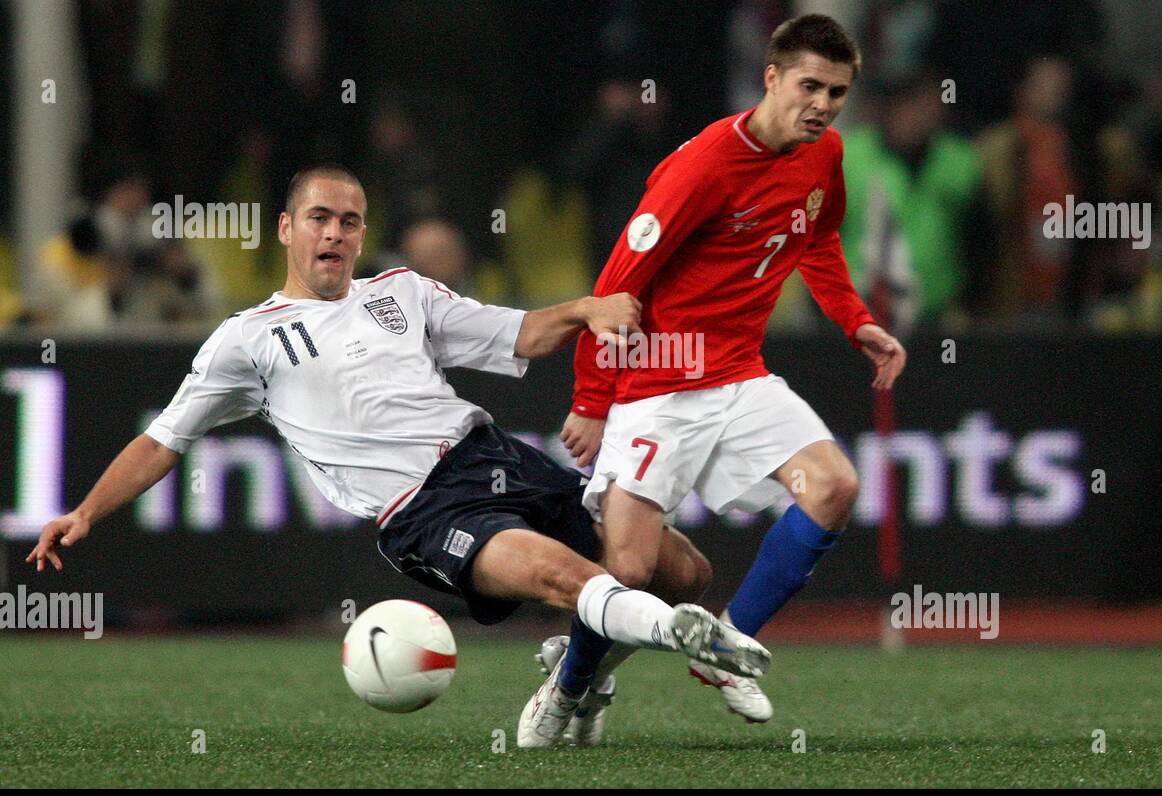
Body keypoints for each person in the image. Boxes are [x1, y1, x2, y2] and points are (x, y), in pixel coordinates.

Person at [24, 164, 770, 748]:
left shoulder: (403, 292)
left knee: (684, 570)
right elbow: (164, 440)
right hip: (422, 509)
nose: (336, 234)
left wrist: (583, 309)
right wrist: (86, 510)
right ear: (286, 228)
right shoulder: (246, 339)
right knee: (562, 576)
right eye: (319, 217)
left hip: (495, 457)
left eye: (350, 221)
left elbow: (519, 333)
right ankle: (678, 636)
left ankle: (575, 684)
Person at [551, 15, 906, 744]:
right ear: (770, 77)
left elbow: (818, 236)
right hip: (656, 382)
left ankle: (725, 646)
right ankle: (570, 687)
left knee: (834, 485)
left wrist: (853, 318)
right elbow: (618, 284)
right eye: (810, 85)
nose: (823, 104)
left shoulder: (824, 153)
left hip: (741, 376)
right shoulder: (703, 167)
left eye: (838, 92)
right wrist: (592, 399)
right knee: (631, 566)